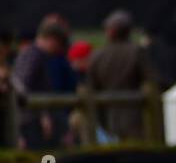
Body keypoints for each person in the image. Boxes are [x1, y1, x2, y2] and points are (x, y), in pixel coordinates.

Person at [87, 10, 156, 142]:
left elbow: (91, 87)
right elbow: (151, 80)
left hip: (108, 117)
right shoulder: (137, 52)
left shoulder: (98, 55)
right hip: (135, 116)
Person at [11, 17, 76, 149]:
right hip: (31, 121)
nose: (58, 50)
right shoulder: (33, 55)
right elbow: (22, 86)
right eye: (59, 44)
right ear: (52, 40)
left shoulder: (37, 54)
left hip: (34, 119)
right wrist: (43, 114)